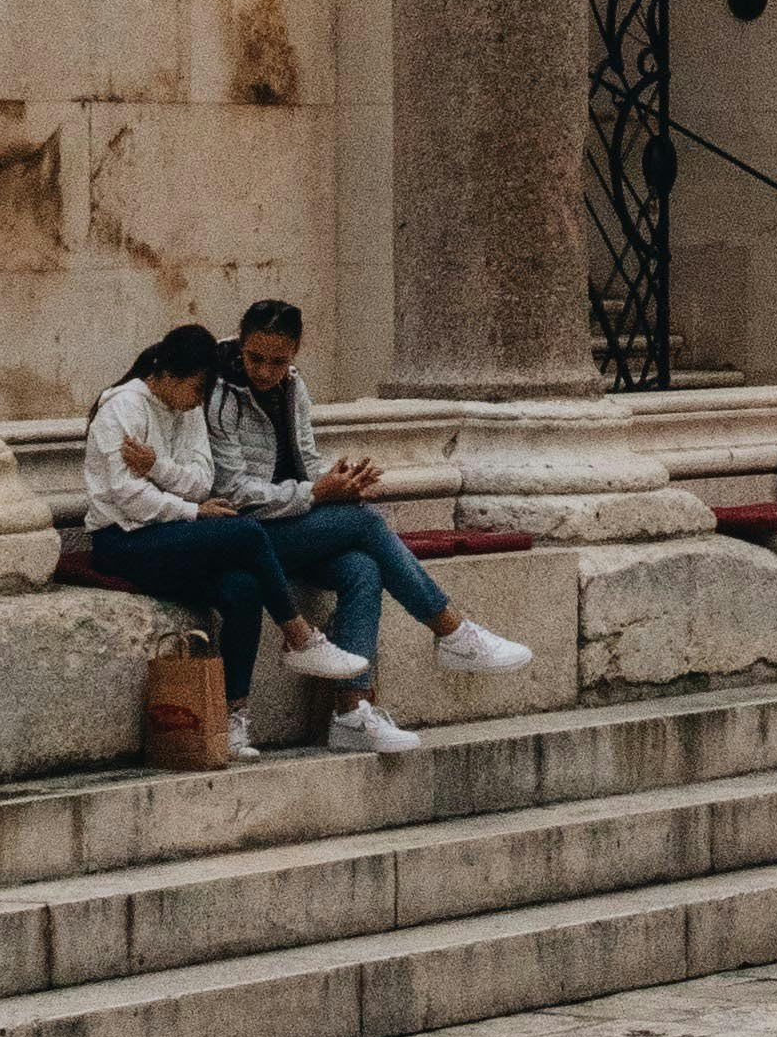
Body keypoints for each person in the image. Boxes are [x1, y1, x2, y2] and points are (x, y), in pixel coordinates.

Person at [205, 296, 533, 754]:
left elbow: (305, 460)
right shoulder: (221, 391)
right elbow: (232, 492)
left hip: (287, 528)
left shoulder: (294, 387)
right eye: (255, 357)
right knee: (362, 523)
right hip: (244, 536)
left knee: (363, 568)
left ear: (296, 352)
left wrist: (339, 483)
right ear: (241, 343)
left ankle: (351, 713)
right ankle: (451, 630)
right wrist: (317, 495)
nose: (263, 370)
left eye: (277, 361)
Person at [80, 322, 368, 754]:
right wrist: (192, 512)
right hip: (121, 541)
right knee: (248, 533)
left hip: (170, 535)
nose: (200, 400)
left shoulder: (190, 408)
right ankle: (300, 636)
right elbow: (127, 496)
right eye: (197, 388)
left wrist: (159, 468)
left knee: (244, 587)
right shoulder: (121, 408)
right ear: (169, 374)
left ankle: (234, 718)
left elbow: (201, 479)